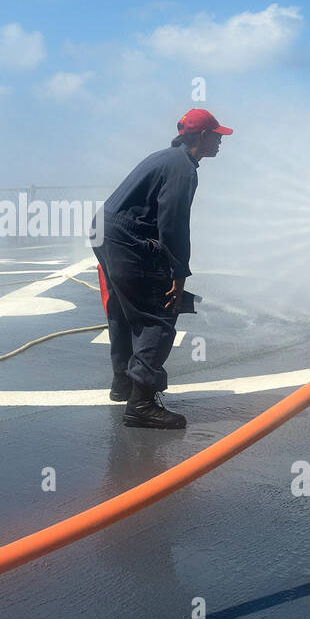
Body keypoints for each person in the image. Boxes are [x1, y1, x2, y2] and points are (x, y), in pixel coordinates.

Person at [92, 108, 230, 429]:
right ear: (203, 136)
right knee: (158, 312)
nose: (222, 141)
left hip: (106, 231)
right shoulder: (182, 170)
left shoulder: (167, 158)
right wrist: (177, 274)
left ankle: (123, 384)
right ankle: (141, 403)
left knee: (123, 310)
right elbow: (173, 227)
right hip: (125, 239)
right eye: (218, 135)